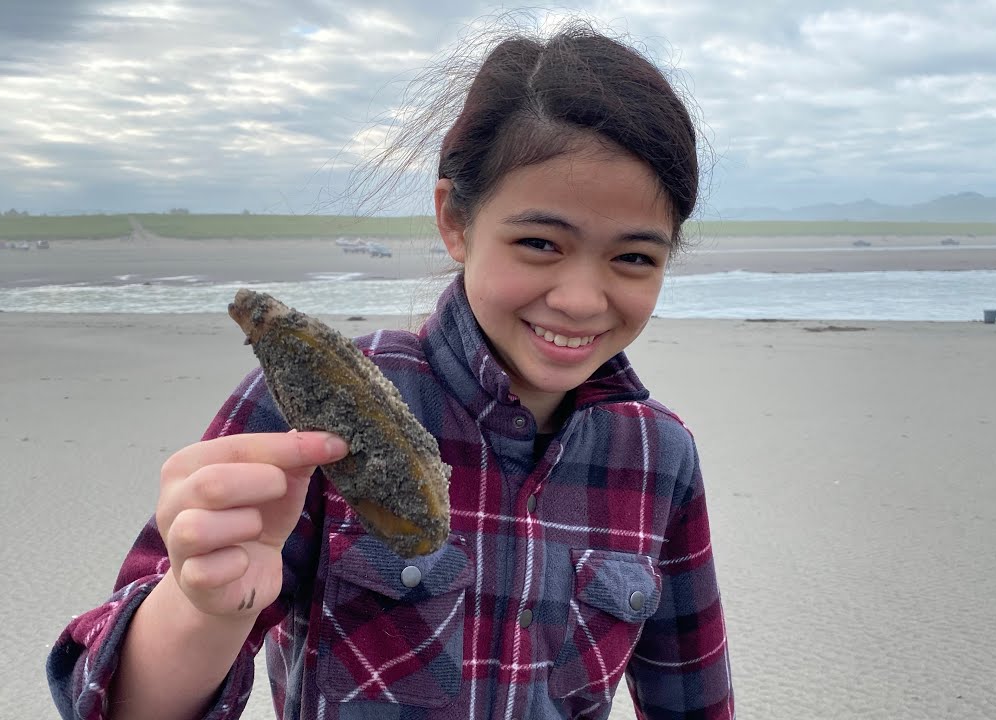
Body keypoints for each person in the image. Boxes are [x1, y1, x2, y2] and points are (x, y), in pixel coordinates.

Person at [48, 21, 733, 720]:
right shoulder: (302, 423)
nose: (582, 298)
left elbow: (695, 702)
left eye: (634, 258)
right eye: (539, 243)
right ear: (455, 221)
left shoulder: (658, 458)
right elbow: (106, 703)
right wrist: (201, 609)